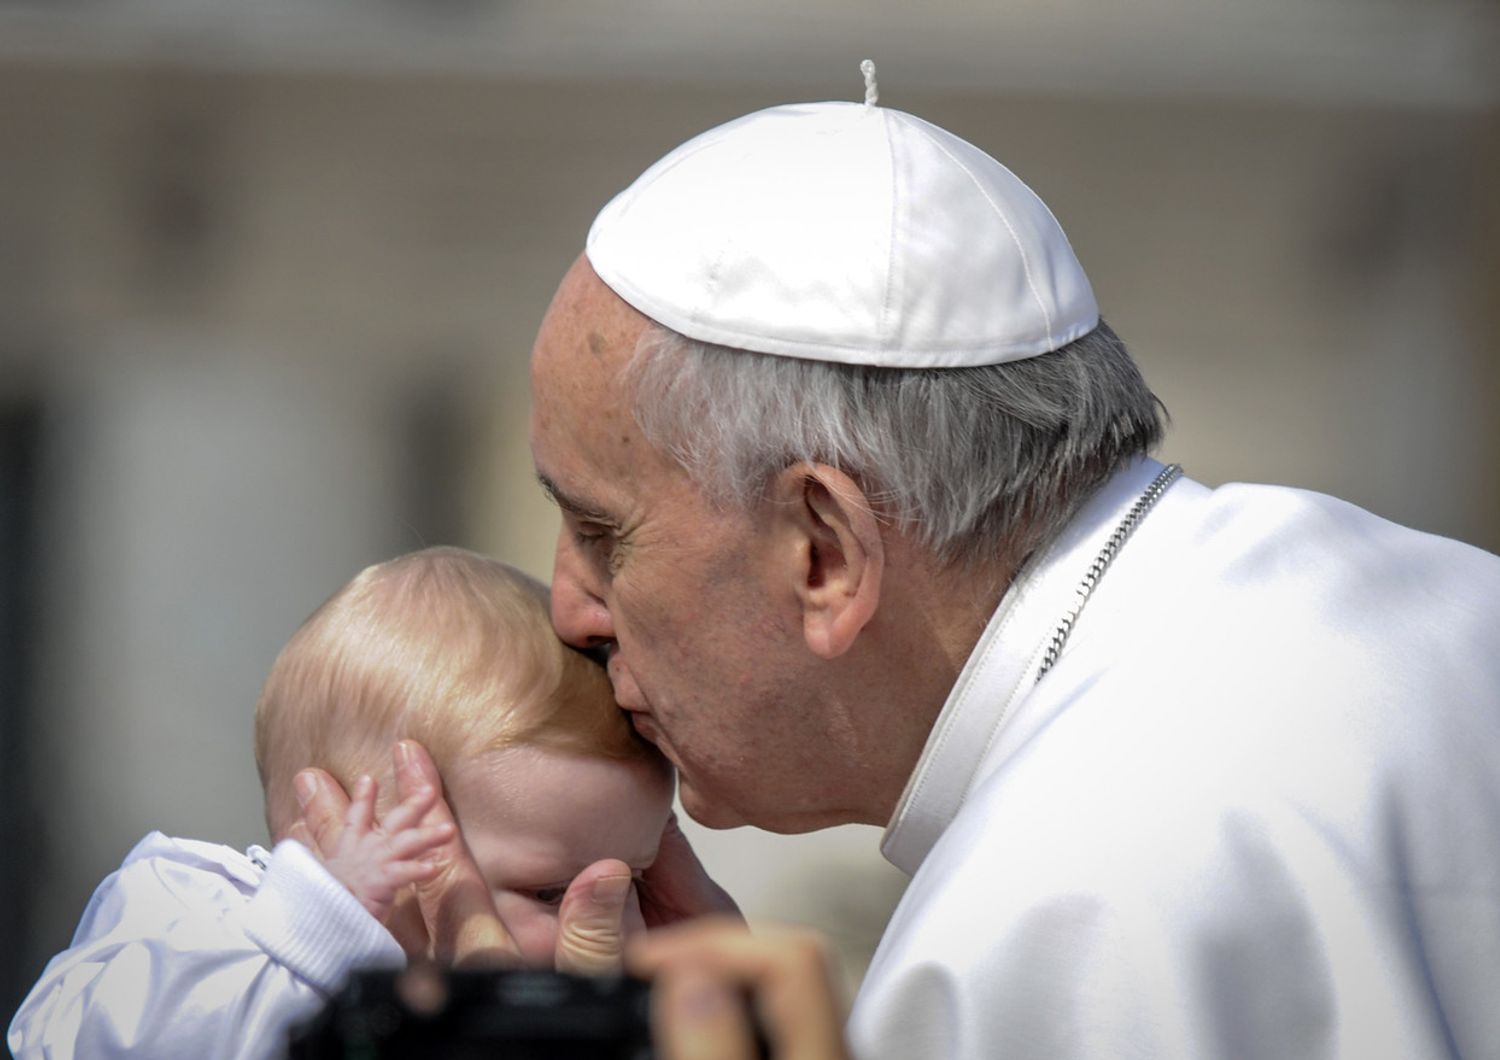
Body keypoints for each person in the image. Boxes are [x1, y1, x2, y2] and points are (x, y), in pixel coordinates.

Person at [516, 68, 1500, 1059]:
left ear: (824, 552)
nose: (570, 608)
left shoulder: (1038, 935)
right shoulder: (1430, 597)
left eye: (602, 535)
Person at [7, 546, 675, 1060]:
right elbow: (87, 1037)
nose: (605, 925)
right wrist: (322, 930)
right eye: (551, 892)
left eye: (636, 881)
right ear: (361, 844)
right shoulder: (194, 911)